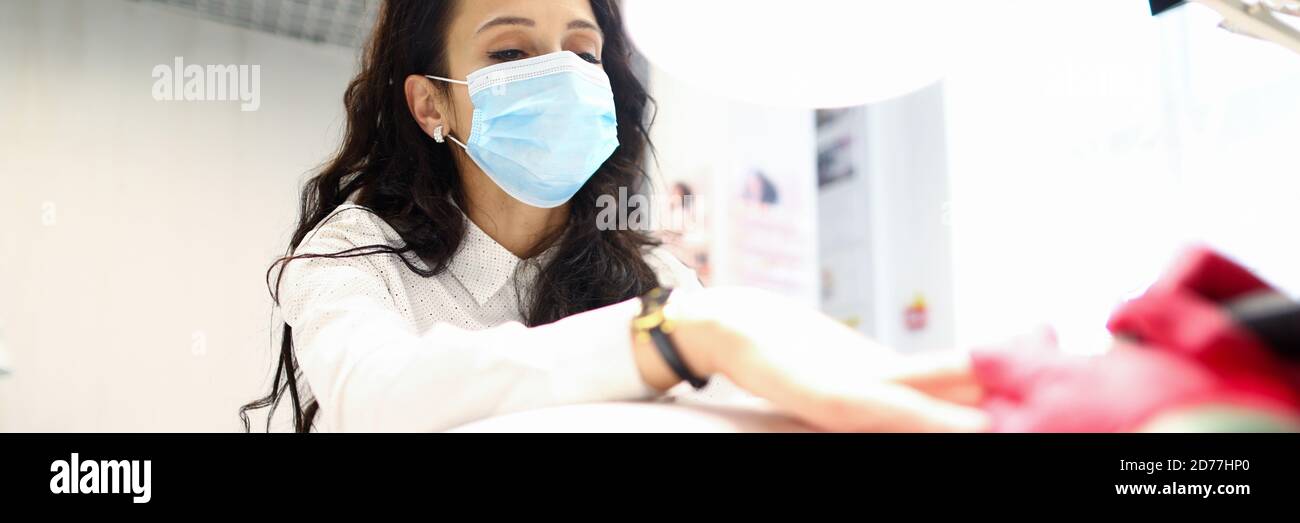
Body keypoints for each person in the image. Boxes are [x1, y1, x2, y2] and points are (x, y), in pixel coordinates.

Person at [239, 0, 989, 433]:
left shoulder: (652, 272)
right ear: (430, 103)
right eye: (510, 51)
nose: (562, 73)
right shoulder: (350, 256)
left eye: (581, 49)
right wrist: (664, 339)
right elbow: (377, 398)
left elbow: (746, 394)